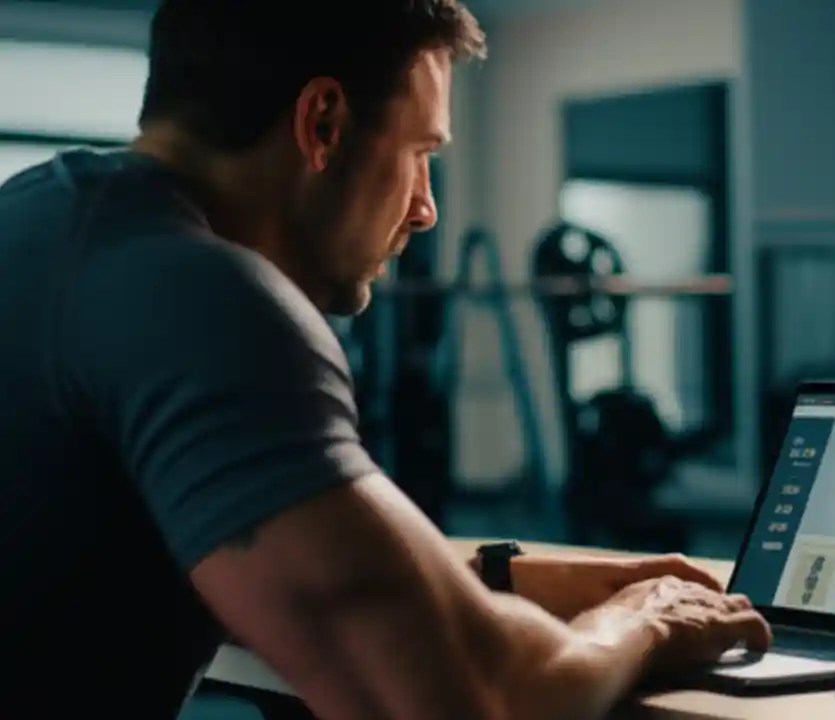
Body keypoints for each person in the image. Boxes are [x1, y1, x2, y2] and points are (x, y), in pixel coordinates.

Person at [0, 1, 770, 717]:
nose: (427, 207)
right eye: (420, 152)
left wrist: (511, 581)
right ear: (324, 123)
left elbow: (269, 574)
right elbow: (473, 695)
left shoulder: (43, 217)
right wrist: (645, 619)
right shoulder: (207, 298)